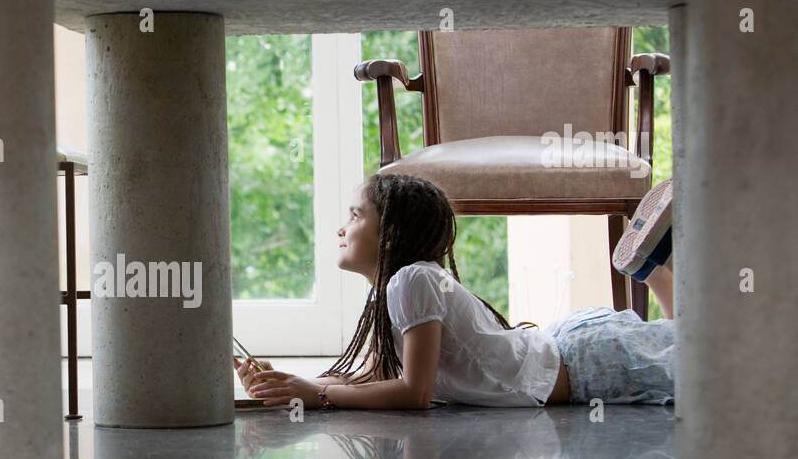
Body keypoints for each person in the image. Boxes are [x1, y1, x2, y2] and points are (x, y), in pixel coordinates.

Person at [235, 172, 675, 410]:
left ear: (390, 233)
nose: (341, 228)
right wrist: (289, 384)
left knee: (704, 354)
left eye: (354, 216)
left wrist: (320, 395)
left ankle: (655, 267)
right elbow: (374, 373)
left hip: (589, 365)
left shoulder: (413, 280)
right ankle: (649, 267)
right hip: (569, 353)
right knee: (687, 344)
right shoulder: (394, 288)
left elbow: (413, 393)